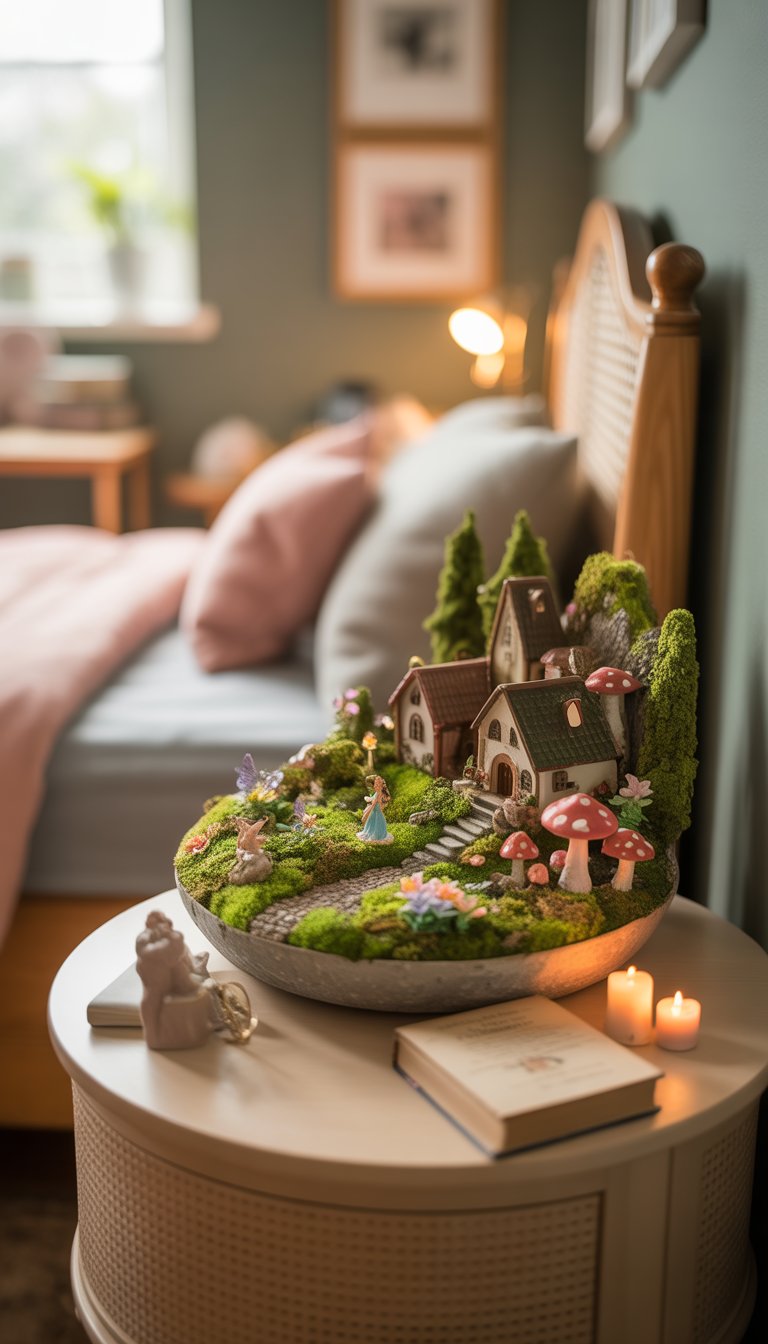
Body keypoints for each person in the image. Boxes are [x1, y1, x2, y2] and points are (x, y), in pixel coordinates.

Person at [357, 775, 393, 844]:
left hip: (377, 814)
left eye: (377, 784)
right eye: (375, 783)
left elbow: (376, 803)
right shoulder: (377, 792)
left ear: (381, 785)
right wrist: (369, 799)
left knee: (376, 828)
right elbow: (372, 800)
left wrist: (367, 811)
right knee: (370, 826)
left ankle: (376, 836)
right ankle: (372, 834)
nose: (375, 786)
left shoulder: (380, 793)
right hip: (374, 813)